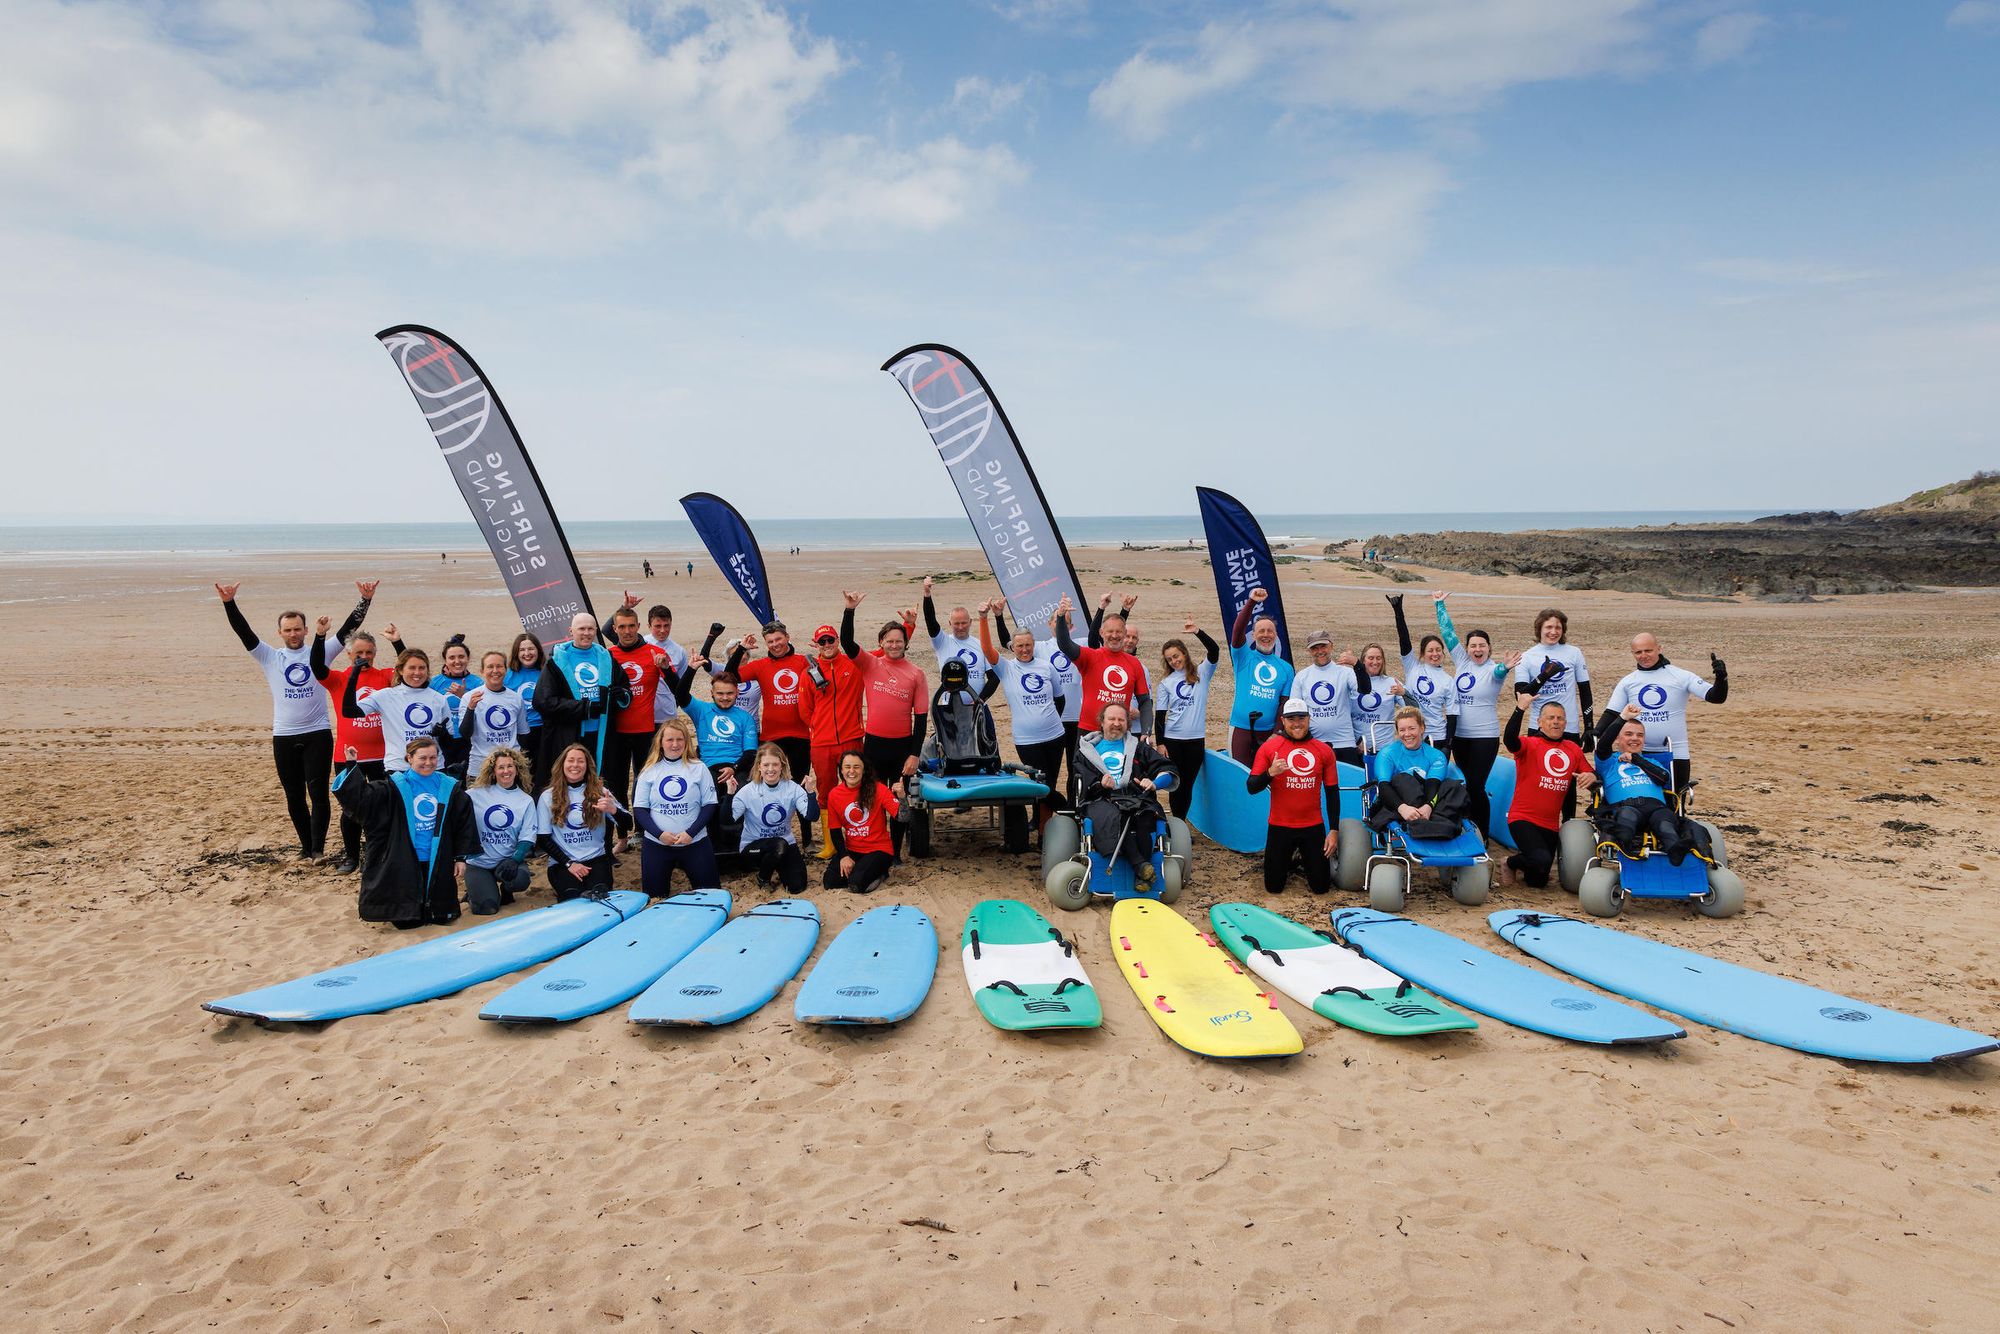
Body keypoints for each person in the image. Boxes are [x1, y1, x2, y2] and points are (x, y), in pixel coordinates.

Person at [217, 578, 376, 859]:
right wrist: (229, 603)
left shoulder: (321, 651)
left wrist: (365, 600)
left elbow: (347, 630)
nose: (294, 634)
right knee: (294, 795)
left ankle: (317, 849)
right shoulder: (269, 656)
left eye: (298, 629)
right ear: (279, 632)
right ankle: (305, 847)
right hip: (284, 734)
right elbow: (244, 632)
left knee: (318, 794)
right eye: (288, 630)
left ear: (305, 630)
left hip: (317, 732)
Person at [334, 735, 476, 928]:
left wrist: (460, 857)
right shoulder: (395, 787)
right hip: (406, 857)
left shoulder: (448, 787)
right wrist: (352, 765)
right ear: (409, 758)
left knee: (441, 916)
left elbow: (463, 824)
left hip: (439, 856)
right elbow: (362, 800)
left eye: (433, 758)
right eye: (422, 758)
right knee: (407, 922)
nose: (428, 763)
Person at [839, 591, 929, 854]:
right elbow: (846, 641)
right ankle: (876, 847)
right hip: (875, 745)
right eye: (888, 641)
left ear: (905, 643)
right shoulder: (870, 664)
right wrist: (849, 609)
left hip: (902, 747)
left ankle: (896, 850)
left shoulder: (916, 674)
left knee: (899, 798)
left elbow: (921, 719)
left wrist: (914, 754)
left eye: (898, 641)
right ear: (881, 642)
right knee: (873, 798)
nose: (893, 645)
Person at [311, 623, 401, 875]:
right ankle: (351, 857)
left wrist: (397, 642)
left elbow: (409, 671)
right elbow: (317, 666)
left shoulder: (384, 676)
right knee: (352, 809)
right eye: (359, 653)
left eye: (369, 653)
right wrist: (320, 637)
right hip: (348, 755)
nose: (364, 658)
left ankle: (382, 853)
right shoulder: (339, 679)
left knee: (384, 806)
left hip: (382, 755)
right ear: (349, 655)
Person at [1432, 593, 1514, 844]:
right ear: (1467, 649)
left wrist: (1506, 666)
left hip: (1484, 737)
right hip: (1459, 737)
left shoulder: (1494, 671)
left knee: (1477, 786)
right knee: (1465, 784)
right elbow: (1447, 633)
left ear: (1489, 648)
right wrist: (1439, 604)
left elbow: (1500, 671)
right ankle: (1468, 828)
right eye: (1473, 645)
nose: (1477, 649)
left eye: (1482, 645)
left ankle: (1483, 834)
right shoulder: (1462, 662)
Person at [978, 601, 1068, 820]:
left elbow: (1060, 699)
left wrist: (1048, 719)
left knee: (1050, 782)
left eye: (1028, 645)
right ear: (1013, 648)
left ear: (1033, 644)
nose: (1025, 650)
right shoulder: (1006, 668)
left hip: (1055, 736)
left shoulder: (1047, 666)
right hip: (1027, 739)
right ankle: (1066, 811)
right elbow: (987, 650)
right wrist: (983, 618)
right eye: (1020, 646)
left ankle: (1042, 829)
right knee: (1040, 784)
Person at [727, 620, 816, 840]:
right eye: (770, 641)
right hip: (771, 737)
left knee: (800, 785)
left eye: (778, 639)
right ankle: (767, 830)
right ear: (766, 644)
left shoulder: (803, 661)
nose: (775, 644)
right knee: (767, 784)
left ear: (787, 637)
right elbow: (730, 676)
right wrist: (742, 649)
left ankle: (806, 839)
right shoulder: (761, 665)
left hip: (801, 735)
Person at [1592, 705, 1714, 865]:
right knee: (1627, 817)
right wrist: (1622, 717)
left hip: (1657, 808)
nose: (1634, 738)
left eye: (1640, 735)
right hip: (1627, 807)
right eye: (1628, 734)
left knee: (1666, 825)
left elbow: (1663, 778)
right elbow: (1602, 746)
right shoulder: (1609, 762)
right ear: (1618, 739)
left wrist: (1636, 759)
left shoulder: (1652, 762)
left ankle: (1675, 852)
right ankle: (1628, 852)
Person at [1605, 634, 1729, 791]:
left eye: (1648, 650)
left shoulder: (1680, 676)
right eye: (1638, 652)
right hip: (1638, 752)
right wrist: (1593, 732)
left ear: (1659, 648)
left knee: (1675, 801)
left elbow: (1716, 697)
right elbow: (1611, 713)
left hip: (1676, 752)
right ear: (1632, 653)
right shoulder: (1628, 681)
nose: (1643, 656)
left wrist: (1721, 678)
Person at [991, 601, 1085, 807]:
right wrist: (998, 616)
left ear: (1072, 627)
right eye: (1058, 620)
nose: (1025, 649)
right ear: (1048, 623)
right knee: (1041, 779)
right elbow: (1007, 641)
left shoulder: (1078, 644)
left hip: (1074, 719)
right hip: (1052, 724)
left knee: (1072, 769)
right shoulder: (1040, 647)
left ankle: (1071, 808)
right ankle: (1060, 810)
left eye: (1066, 622)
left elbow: (1099, 637)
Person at [1071, 701, 1178, 882]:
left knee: (1145, 816)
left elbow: (1167, 769)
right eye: (1111, 719)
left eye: (1121, 719)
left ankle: (1141, 874)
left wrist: (1154, 783)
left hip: (1135, 795)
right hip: (1101, 798)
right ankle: (1140, 867)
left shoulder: (1138, 748)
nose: (1116, 723)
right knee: (1115, 816)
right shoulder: (1086, 752)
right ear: (1102, 722)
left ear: (1128, 724)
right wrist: (1099, 784)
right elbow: (1082, 781)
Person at [1500, 686, 1595, 888]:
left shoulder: (1573, 749)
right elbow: (1509, 740)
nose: (1556, 722)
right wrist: (1520, 709)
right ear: (1540, 723)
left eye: (1560, 718)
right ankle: (1508, 862)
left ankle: (1524, 861)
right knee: (1541, 859)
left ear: (1565, 723)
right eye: (1550, 718)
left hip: (1550, 824)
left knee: (1538, 880)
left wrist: (1590, 776)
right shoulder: (1530, 744)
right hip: (1522, 818)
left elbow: (1590, 773)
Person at [1245, 699, 1340, 894]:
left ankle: (1301, 857)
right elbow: (1251, 787)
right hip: (1280, 826)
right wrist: (1270, 773)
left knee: (1321, 888)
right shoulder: (1270, 748)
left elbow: (1332, 793)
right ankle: (1292, 858)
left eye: (1301, 718)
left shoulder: (1324, 751)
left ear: (1309, 718)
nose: (1296, 723)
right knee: (1273, 888)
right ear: (1283, 720)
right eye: (1291, 719)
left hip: (1312, 826)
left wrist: (1334, 831)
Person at [534, 612, 627, 790]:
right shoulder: (557, 662)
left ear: (596, 631)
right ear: (571, 631)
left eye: (590, 629)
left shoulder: (605, 657)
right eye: (581, 629)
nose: (586, 633)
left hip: (601, 733)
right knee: (570, 781)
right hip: (569, 734)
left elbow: (623, 686)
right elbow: (543, 701)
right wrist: (584, 708)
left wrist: (621, 696)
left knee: (599, 781)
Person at [1514, 608, 1592, 820]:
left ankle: (1567, 828)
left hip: (1569, 728)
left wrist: (1590, 727)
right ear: (1539, 628)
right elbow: (1520, 695)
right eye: (1548, 626)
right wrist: (1544, 676)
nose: (1553, 631)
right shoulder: (1527, 657)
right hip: (1538, 728)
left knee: (1567, 782)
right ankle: (1536, 822)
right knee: (1539, 780)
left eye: (1558, 627)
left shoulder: (1573, 653)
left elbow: (1585, 690)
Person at [632, 716, 721, 898]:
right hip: (658, 844)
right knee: (654, 898)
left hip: (694, 842)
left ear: (686, 742)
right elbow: (640, 809)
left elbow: (710, 804)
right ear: (661, 743)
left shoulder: (699, 768)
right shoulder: (649, 770)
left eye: (679, 739)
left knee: (712, 895)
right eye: (670, 739)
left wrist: (691, 833)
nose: (675, 744)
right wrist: (659, 834)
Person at [1050, 594, 1151, 748]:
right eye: (1110, 631)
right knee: (1084, 772)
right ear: (1102, 633)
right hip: (1088, 732)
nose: (1114, 636)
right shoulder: (1090, 656)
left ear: (1124, 634)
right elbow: (1064, 644)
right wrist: (1061, 616)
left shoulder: (1134, 663)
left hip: (1119, 732)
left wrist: (1147, 731)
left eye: (1119, 632)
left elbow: (1145, 702)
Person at [535, 742, 631, 900]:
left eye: (580, 761)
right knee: (574, 897)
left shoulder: (600, 792)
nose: (575, 765)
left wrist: (613, 810)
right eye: (570, 760)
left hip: (596, 859)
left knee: (600, 896)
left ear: (587, 766)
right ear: (562, 764)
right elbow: (544, 839)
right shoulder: (548, 796)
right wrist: (569, 864)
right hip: (563, 863)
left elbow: (628, 824)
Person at [800, 621, 864, 856]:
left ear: (838, 641)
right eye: (822, 641)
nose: (827, 644)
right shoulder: (809, 673)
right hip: (822, 743)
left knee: (855, 787)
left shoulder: (854, 664)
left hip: (851, 738)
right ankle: (831, 845)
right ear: (816, 644)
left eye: (830, 640)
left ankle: (858, 838)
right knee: (826, 792)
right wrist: (820, 727)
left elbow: (884, 652)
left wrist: (908, 627)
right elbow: (805, 711)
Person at [601, 607, 675, 806]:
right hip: (616, 731)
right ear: (614, 629)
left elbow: (679, 690)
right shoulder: (607, 656)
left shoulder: (656, 653)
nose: (627, 631)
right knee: (617, 782)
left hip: (645, 730)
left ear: (639, 627)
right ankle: (623, 833)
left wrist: (666, 669)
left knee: (645, 782)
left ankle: (642, 831)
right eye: (622, 627)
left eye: (631, 626)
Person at [1364, 707, 1466, 840]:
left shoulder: (1436, 756)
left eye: (1412, 728)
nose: (1407, 734)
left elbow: (1433, 785)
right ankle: (1431, 826)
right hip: (1397, 802)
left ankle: (1428, 825)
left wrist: (1428, 806)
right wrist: (1403, 808)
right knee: (1403, 779)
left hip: (1427, 804)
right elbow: (1383, 787)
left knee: (1455, 787)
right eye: (1402, 730)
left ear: (1422, 728)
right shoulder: (1387, 754)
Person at [1152, 621, 1219, 822]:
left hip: (1195, 739)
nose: (1174, 661)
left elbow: (1214, 650)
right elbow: (1160, 715)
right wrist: (1161, 742)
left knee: (1188, 783)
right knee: (1176, 783)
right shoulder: (1166, 683)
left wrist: (1198, 631)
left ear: (1184, 653)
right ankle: (1177, 824)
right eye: (1169, 659)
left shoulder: (1202, 672)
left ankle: (1180, 821)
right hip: (1173, 739)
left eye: (1176, 656)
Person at [341, 646, 444, 774]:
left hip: (433, 768)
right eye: (412, 668)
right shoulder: (385, 696)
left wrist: (443, 734)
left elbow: (453, 738)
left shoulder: (439, 699)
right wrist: (354, 674)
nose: (417, 673)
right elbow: (349, 711)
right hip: (399, 768)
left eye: (422, 668)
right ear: (400, 670)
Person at [733, 743, 817, 894]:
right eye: (766, 765)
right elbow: (728, 820)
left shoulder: (793, 788)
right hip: (753, 847)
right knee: (778, 845)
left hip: (784, 844)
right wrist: (729, 795)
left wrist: (810, 793)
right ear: (759, 766)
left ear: (782, 766)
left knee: (797, 887)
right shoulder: (747, 791)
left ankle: (777, 866)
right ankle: (763, 877)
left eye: (775, 764)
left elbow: (812, 816)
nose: (770, 769)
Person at [463, 746, 538, 914]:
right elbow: (456, 807)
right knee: (487, 908)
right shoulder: (476, 794)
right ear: (493, 771)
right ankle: (476, 892)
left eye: (510, 766)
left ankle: (506, 890)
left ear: (517, 770)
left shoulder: (525, 801)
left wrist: (515, 859)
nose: (506, 771)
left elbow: (528, 836)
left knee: (520, 879)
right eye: (501, 767)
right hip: (478, 863)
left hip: (505, 861)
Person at [1224, 587, 1293, 764]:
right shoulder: (1243, 656)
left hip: (1268, 732)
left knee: (1266, 779)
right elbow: (1238, 631)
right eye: (1261, 631)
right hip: (1240, 729)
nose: (1265, 635)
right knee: (1240, 777)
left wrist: (1277, 733)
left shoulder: (1286, 668)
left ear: (1276, 636)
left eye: (1270, 631)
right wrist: (1252, 602)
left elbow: (1283, 705)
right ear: (1253, 636)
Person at [671, 664, 760, 797]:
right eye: (720, 693)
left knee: (741, 796)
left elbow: (750, 753)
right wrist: (691, 669)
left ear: (737, 692)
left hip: (737, 766)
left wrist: (733, 768)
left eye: (729, 693)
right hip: (708, 767)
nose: (725, 698)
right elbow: (680, 695)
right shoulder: (701, 710)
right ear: (712, 693)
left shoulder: (746, 718)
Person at [1287, 628, 1369, 770]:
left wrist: (1357, 664)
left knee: (1348, 787)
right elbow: (1295, 711)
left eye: (1323, 646)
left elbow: (1365, 690)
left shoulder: (1345, 672)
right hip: (1314, 744)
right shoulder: (1302, 676)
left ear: (1331, 646)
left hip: (1344, 743)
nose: (1320, 651)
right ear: (1309, 651)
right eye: (1314, 648)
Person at [824, 750, 899, 894]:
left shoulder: (878, 789)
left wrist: (901, 797)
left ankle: (880, 872)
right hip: (853, 849)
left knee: (856, 885)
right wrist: (844, 856)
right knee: (830, 882)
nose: (852, 771)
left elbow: (902, 816)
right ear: (841, 770)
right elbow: (834, 830)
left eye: (856, 767)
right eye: (847, 767)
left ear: (864, 770)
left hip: (879, 849)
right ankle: (862, 870)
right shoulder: (834, 794)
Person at [1388, 594, 1457, 748]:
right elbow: (1404, 640)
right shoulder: (1413, 667)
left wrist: (1448, 743)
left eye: (1438, 650)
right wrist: (1398, 611)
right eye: (1430, 650)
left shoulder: (1448, 681)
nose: (1435, 654)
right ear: (1422, 653)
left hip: (1437, 736)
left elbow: (1452, 714)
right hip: (1412, 735)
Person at [454, 651, 526, 781]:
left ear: (505, 670)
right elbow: (465, 734)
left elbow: (522, 733)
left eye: (499, 666)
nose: (495, 670)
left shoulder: (516, 698)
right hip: (480, 767)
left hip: (509, 767)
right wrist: (471, 708)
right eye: (490, 667)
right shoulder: (469, 697)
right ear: (482, 671)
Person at [922, 576, 990, 695]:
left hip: (978, 706)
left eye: (964, 623)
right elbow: (930, 621)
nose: (960, 627)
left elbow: (993, 677)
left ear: (970, 622)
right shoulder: (942, 642)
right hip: (950, 706)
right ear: (950, 624)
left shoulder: (980, 645)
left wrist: (980, 701)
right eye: (956, 623)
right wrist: (927, 595)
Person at [505, 632, 546, 780]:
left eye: (531, 649)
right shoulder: (508, 675)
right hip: (519, 732)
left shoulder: (547, 671)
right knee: (522, 773)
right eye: (522, 650)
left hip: (544, 730)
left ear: (538, 651)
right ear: (517, 652)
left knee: (542, 773)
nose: (527, 653)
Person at [1349, 642, 1404, 750]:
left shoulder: (1392, 683)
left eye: (1378, 658)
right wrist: (1356, 741)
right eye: (1371, 658)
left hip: (1385, 749)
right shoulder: (1351, 682)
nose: (1375, 662)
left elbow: (1413, 710)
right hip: (1358, 747)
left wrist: (1404, 693)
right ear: (1363, 660)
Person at [644, 605, 687, 725]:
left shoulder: (679, 651)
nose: (662, 630)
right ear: (649, 626)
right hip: (643, 714)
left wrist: (673, 704)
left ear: (671, 624)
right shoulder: (640, 644)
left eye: (666, 625)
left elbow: (682, 686)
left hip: (667, 715)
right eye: (658, 626)